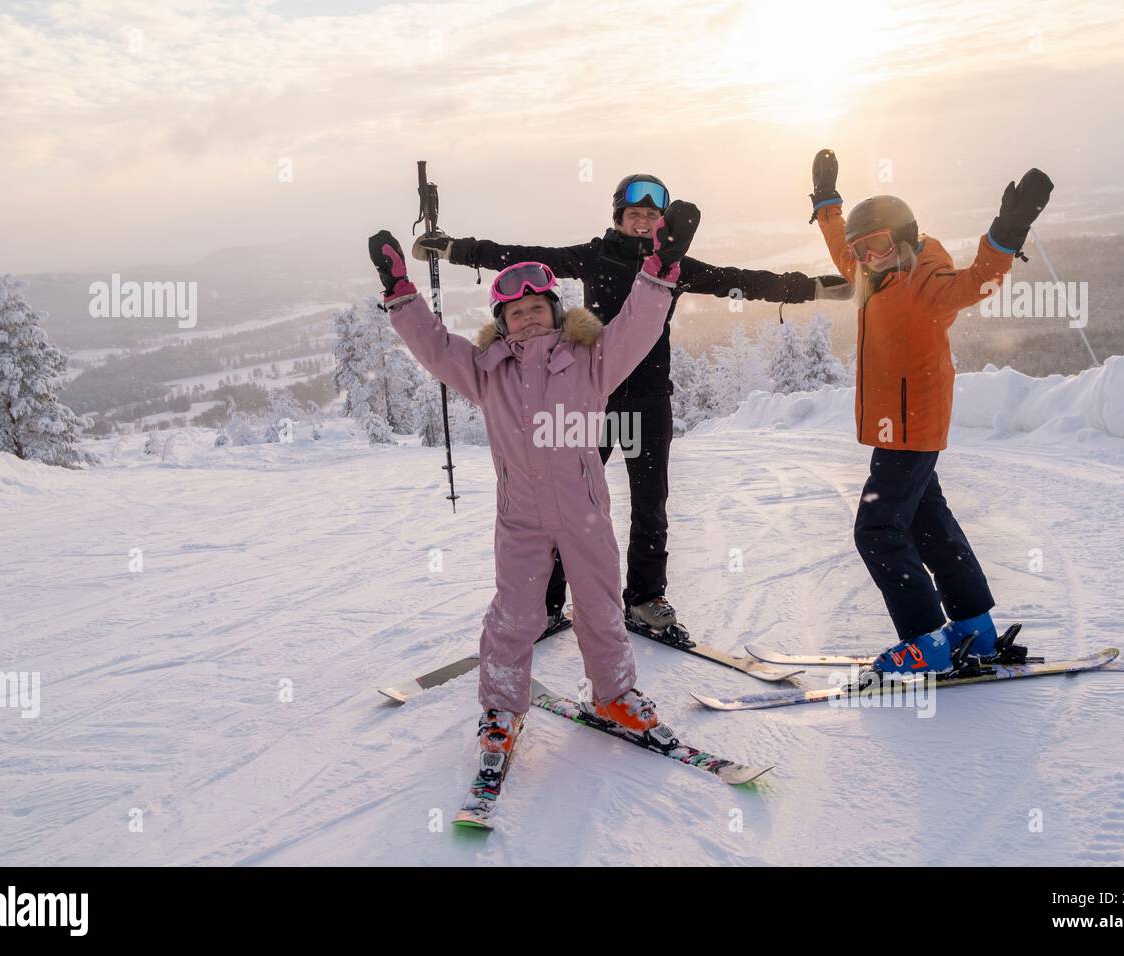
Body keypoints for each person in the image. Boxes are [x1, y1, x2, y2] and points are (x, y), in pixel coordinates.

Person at [413, 174, 850, 635]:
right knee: (567, 503)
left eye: (651, 216)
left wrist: (813, 289)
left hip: (647, 403)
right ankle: (546, 603)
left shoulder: (672, 265)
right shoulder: (592, 256)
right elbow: (522, 257)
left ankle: (645, 598)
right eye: (634, 215)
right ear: (619, 219)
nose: (642, 223)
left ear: (662, 223)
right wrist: (451, 249)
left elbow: (738, 281)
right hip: (589, 404)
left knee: (650, 505)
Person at [370, 199, 702, 751]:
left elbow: (636, 327)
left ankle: (614, 693)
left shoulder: (591, 360)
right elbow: (432, 345)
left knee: (600, 607)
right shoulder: (486, 372)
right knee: (514, 614)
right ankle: (501, 708)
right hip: (520, 517)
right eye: (516, 311)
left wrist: (660, 270)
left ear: (555, 310)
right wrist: (401, 292)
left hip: (584, 512)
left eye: (537, 307)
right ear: (501, 324)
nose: (528, 316)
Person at [808, 148, 1054, 675]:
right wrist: (828, 203)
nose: (865, 259)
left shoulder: (926, 284)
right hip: (893, 429)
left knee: (875, 531)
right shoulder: (873, 276)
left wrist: (1007, 231)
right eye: (860, 250)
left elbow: (979, 281)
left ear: (901, 239)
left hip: (912, 428)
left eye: (874, 245)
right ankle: (974, 628)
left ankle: (926, 641)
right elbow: (839, 252)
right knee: (929, 524)